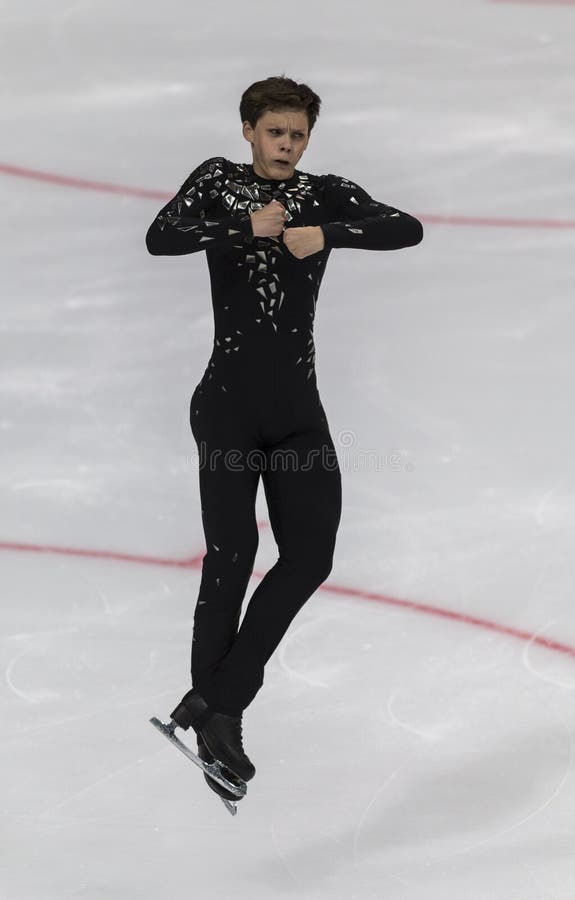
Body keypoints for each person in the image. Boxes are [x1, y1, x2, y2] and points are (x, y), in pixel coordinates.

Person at [145, 74, 423, 799]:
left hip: (298, 412)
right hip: (228, 407)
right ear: (247, 130)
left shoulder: (323, 193)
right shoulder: (218, 181)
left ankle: (216, 700)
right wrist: (245, 227)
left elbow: (405, 226)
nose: (287, 146)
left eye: (298, 135)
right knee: (233, 555)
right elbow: (160, 236)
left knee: (309, 557)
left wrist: (325, 232)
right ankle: (221, 722)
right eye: (275, 133)